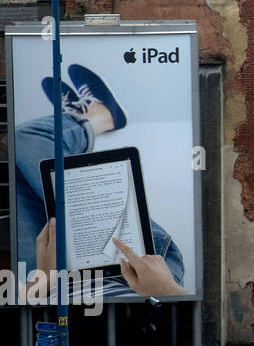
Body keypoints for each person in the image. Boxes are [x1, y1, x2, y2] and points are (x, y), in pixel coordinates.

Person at [18, 67, 186, 300]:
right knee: (27, 140)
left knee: (21, 160)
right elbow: (197, 326)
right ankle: (99, 115)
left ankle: (86, 118)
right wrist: (167, 292)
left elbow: (18, 326)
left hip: (50, 287)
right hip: (137, 276)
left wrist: (41, 282)